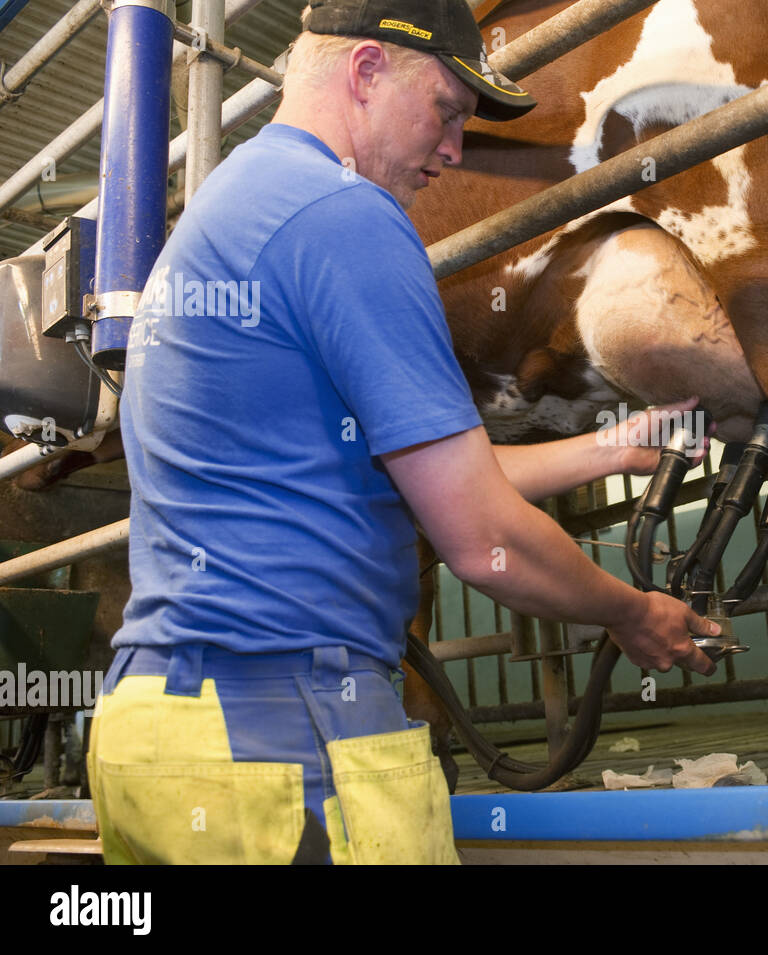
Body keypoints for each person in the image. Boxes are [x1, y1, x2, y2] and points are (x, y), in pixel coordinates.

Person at [87, 0, 719, 865]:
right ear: (365, 73)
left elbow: (417, 475)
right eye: (447, 111)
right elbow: (481, 536)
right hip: (280, 739)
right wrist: (631, 612)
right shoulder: (344, 216)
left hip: (165, 733)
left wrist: (608, 446)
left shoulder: (238, 204)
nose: (456, 149)